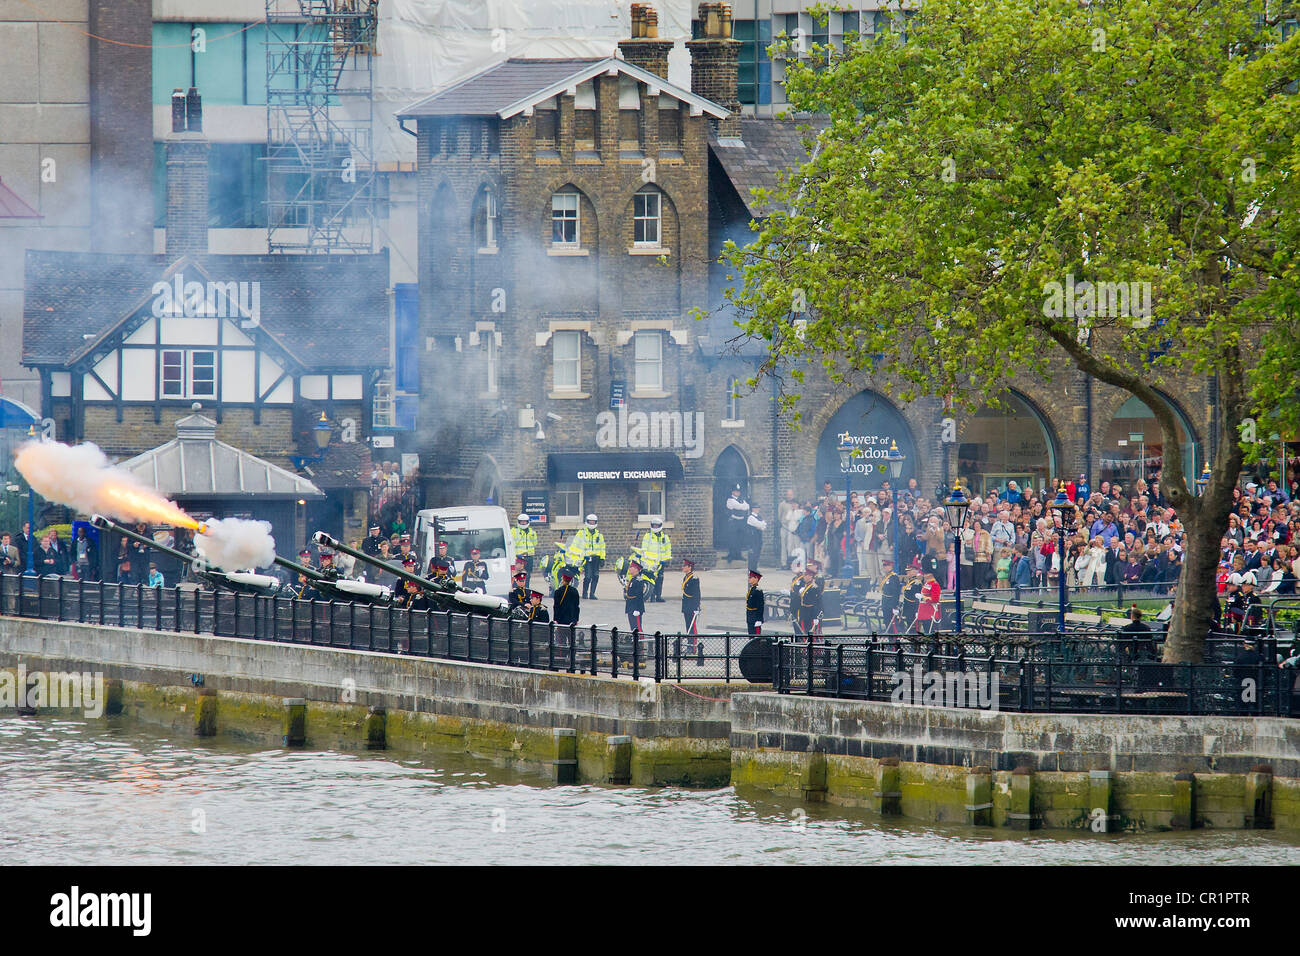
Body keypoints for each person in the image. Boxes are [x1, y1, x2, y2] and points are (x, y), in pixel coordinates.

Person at [573, 514, 606, 600]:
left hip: (596, 558)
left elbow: (602, 547)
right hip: (587, 558)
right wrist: (579, 555)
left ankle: (592, 593)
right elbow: (575, 544)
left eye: (593, 522)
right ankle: (584, 593)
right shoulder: (581, 533)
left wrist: (602, 558)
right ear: (587, 522)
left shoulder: (599, 535)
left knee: (595, 576)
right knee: (588, 576)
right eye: (590, 522)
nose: (592, 523)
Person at [640, 517, 672, 602]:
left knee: (660, 578)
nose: (655, 527)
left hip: (660, 562)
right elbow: (644, 548)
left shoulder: (665, 537)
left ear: (660, 526)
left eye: (656, 525)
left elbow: (668, 550)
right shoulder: (648, 536)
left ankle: (658, 596)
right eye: (653, 525)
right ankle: (651, 595)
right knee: (650, 577)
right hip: (650, 561)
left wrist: (667, 560)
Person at [793, 561, 824, 638]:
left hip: (812, 612)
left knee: (813, 634)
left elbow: (818, 602)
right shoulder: (806, 586)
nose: (804, 577)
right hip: (804, 612)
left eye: (807, 575)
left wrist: (817, 616)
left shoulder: (815, 587)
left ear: (811, 576)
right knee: (804, 631)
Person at [724, 486, 750, 560]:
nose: (738, 493)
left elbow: (747, 506)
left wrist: (743, 506)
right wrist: (743, 506)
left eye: (738, 491)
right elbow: (738, 506)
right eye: (736, 491)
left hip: (741, 521)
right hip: (733, 521)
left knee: (739, 538)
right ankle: (732, 555)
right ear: (732, 492)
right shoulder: (730, 500)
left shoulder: (741, 499)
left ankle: (738, 555)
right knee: (732, 538)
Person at [623, 558, 648, 634]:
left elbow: (639, 596)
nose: (629, 569)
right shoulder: (633, 579)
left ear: (636, 569)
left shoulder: (638, 580)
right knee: (633, 628)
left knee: (637, 628)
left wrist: (637, 609)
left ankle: (640, 643)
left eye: (631, 567)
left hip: (635, 608)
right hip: (630, 607)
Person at [512, 513, 537, 587]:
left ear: (528, 522)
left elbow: (535, 543)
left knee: (528, 575)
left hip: (529, 556)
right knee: (517, 574)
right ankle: (516, 589)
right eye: (521, 521)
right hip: (519, 557)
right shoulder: (514, 531)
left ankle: (526, 589)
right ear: (518, 522)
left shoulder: (532, 532)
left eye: (525, 521)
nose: (523, 523)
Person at [878, 558, 902, 633]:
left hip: (891, 604)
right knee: (887, 622)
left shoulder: (894, 577)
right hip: (885, 603)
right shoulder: (887, 577)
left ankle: (894, 643)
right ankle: (890, 641)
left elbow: (896, 593)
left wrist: (895, 606)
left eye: (886, 565)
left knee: (892, 625)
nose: (884, 567)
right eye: (884, 565)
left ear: (891, 566)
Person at [680, 558, 702, 639]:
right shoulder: (686, 577)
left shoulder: (694, 578)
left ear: (689, 567)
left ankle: (693, 646)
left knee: (692, 626)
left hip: (692, 605)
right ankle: (689, 642)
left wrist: (696, 606)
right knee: (688, 626)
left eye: (684, 566)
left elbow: (697, 594)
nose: (683, 567)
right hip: (686, 605)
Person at [916, 568, 941, 634]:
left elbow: (935, 599)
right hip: (924, 611)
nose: (924, 574)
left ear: (931, 574)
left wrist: (924, 598)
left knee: (930, 632)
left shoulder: (934, 584)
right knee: (926, 631)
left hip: (930, 612)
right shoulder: (927, 583)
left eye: (926, 573)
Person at [746, 506, 768, 572]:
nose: (757, 509)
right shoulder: (751, 517)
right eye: (756, 508)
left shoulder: (759, 517)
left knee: (757, 553)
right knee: (753, 553)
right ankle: (751, 569)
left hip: (758, 537)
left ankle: (754, 568)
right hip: (752, 537)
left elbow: (764, 526)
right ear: (753, 509)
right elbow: (759, 524)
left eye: (758, 508)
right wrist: (760, 525)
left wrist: (761, 525)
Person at [745, 569, 764, 636]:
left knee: (756, 638)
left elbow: (760, 606)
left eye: (751, 577)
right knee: (751, 636)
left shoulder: (758, 590)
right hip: (750, 617)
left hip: (755, 617)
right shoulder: (752, 588)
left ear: (756, 578)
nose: (749, 579)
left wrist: (759, 619)